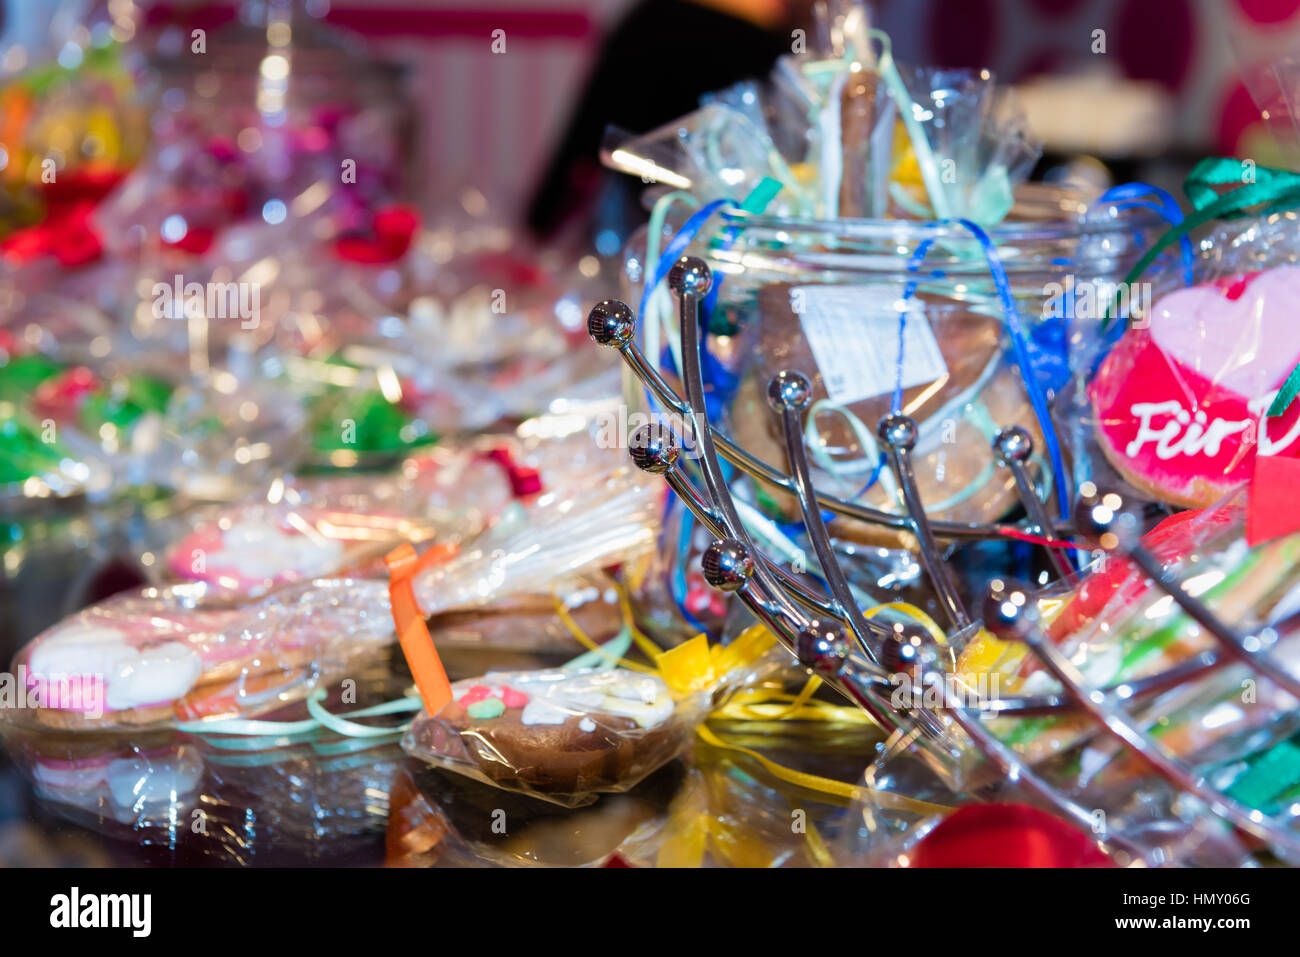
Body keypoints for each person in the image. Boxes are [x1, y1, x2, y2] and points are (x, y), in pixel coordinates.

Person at [525, 0, 797, 243]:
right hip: (735, 240)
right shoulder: (774, 51)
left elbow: (584, 139)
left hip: (642, 234)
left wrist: (538, 227)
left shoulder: (649, 19)